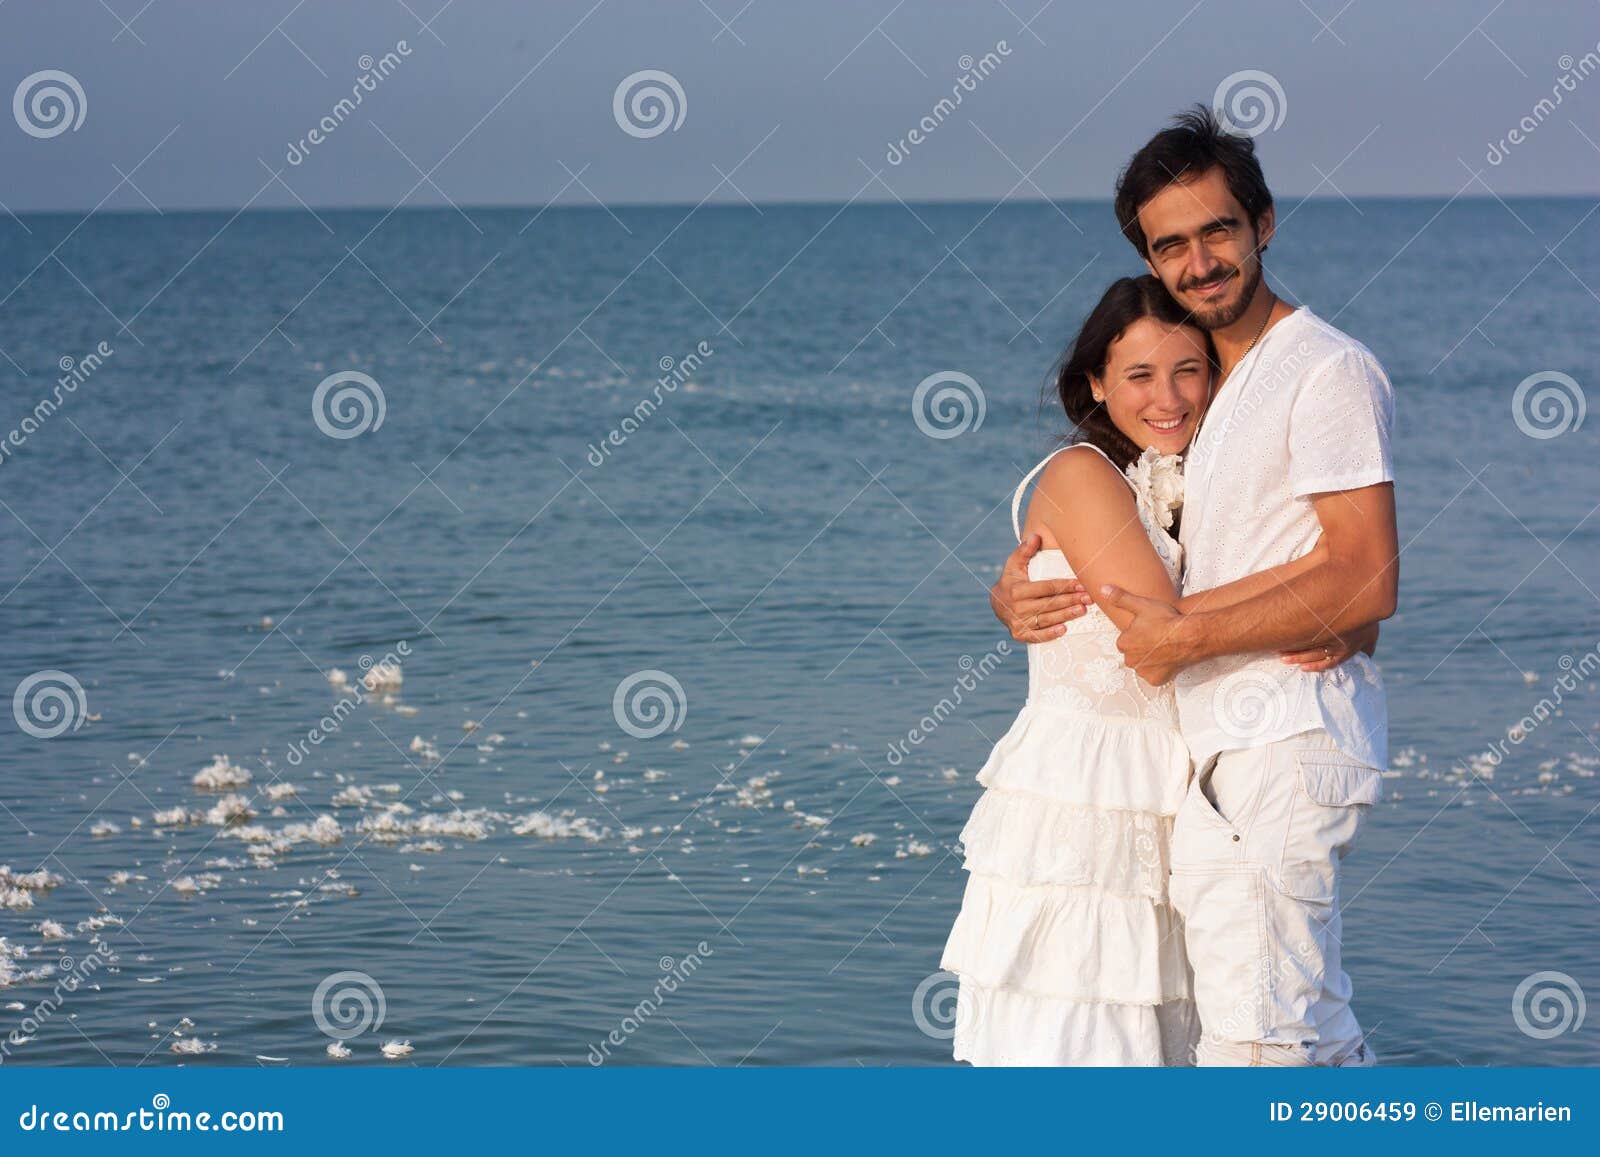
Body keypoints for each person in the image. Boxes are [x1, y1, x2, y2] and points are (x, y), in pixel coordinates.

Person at [989, 107, 1398, 1067]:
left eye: (1217, 229)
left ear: (1263, 223)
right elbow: (1292, 559)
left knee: (1261, 1044)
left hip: (1273, 743)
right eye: (1170, 243)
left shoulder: (1323, 369)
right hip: (1211, 764)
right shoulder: (1218, 385)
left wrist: (1185, 631)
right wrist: (1026, 587)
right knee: (1296, 1034)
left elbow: (1366, 568)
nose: (1199, 259)